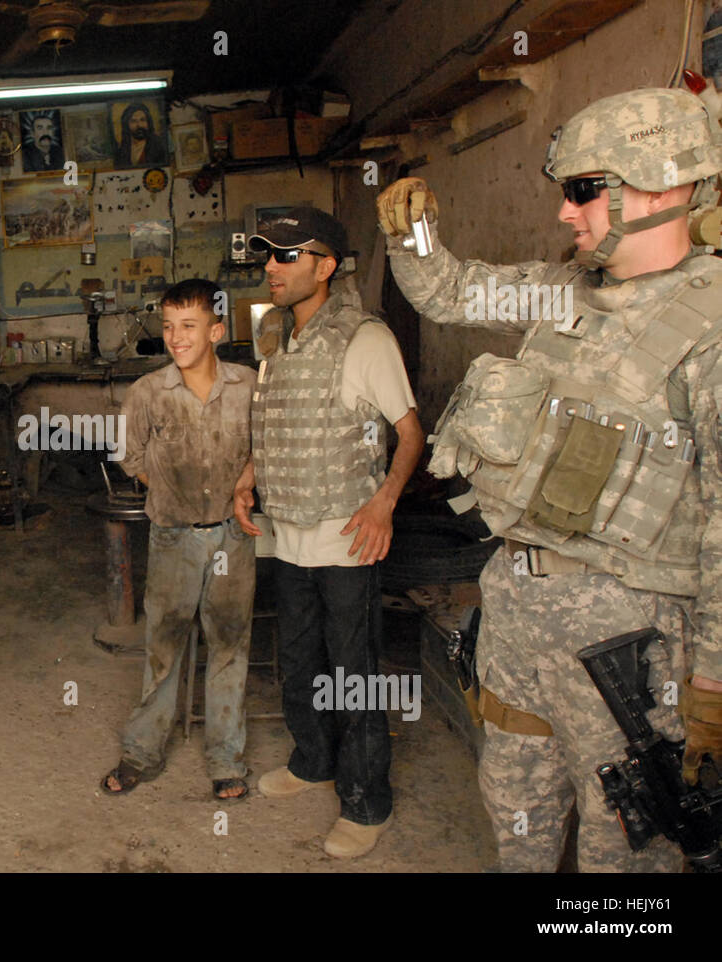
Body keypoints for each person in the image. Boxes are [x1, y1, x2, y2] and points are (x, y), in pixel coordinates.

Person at [376, 86, 722, 872]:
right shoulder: (564, 292)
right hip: (518, 609)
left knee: (623, 849)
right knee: (519, 822)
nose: (567, 213)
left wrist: (711, 683)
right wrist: (414, 231)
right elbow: (448, 289)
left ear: (661, 186)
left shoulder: (711, 326)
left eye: (583, 191)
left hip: (630, 643)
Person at [234, 207, 422, 859]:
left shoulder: (365, 339)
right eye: (267, 255)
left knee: (353, 672)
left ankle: (367, 801)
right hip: (287, 530)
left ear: (326, 266)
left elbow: (410, 431)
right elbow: (270, 417)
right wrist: (249, 474)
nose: (271, 268)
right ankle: (312, 760)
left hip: (345, 536)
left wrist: (385, 503)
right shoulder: (272, 336)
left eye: (287, 256)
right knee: (297, 659)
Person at [102, 278, 258, 801]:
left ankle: (225, 758)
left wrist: (247, 478)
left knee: (229, 647)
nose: (176, 337)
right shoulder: (148, 392)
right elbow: (129, 455)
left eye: (188, 326)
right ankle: (141, 752)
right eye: (168, 327)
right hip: (172, 537)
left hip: (234, 539)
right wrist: (167, 489)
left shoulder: (249, 386)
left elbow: (267, 445)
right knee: (164, 648)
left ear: (216, 330)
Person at [114, 102, 168, 169]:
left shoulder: (158, 146)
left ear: (148, 123)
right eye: (133, 121)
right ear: (127, 125)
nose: (139, 125)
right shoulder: (122, 150)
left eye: (143, 120)